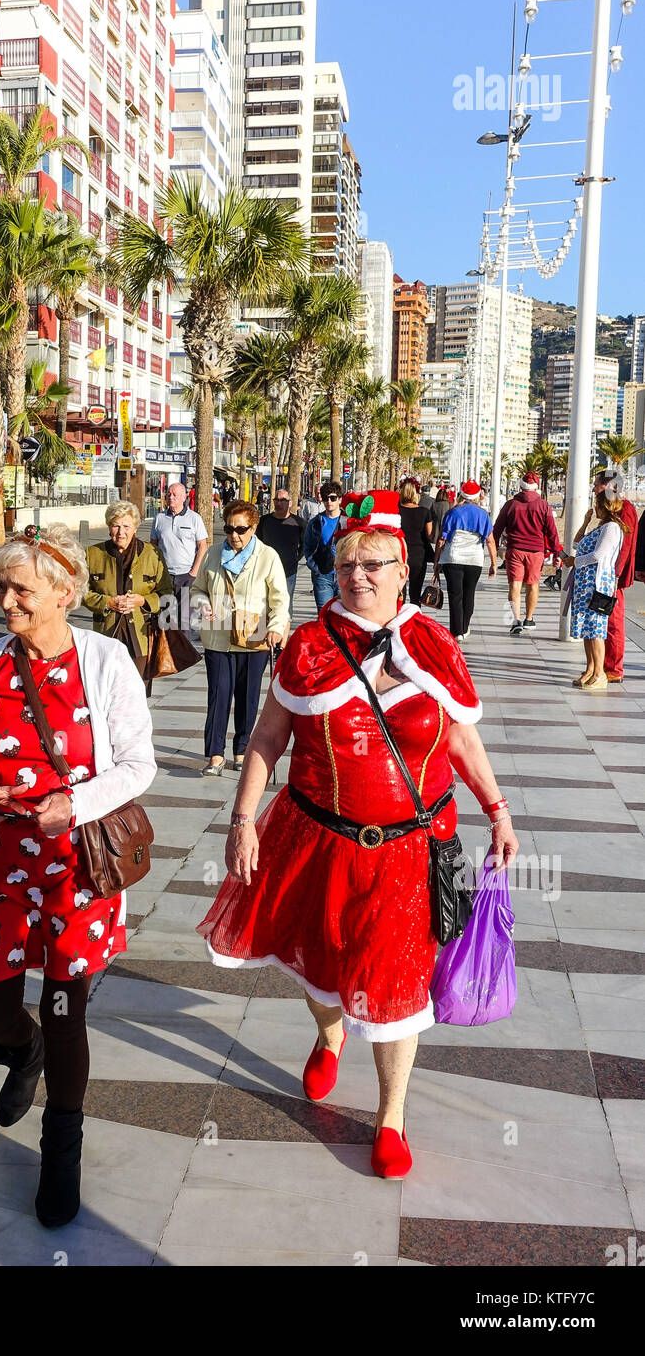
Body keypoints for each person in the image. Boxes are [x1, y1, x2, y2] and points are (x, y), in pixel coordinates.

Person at [196, 490, 518, 1179]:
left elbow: (460, 735)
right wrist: (243, 818)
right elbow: (268, 736)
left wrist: (497, 808)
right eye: (346, 565)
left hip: (411, 849)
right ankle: (329, 1033)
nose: (359, 576)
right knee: (319, 966)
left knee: (399, 987)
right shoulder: (310, 645)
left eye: (374, 563)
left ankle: (390, 1118)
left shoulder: (435, 643)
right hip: (319, 837)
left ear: (406, 569)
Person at [0, 523, 156, 1227]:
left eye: (21, 590)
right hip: (1, 865)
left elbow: (139, 764)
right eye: (1, 587)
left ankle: (60, 1149)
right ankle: (22, 1048)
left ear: (64, 595)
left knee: (67, 1009)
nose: (6, 600)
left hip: (76, 870)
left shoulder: (105, 662)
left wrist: (75, 804)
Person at [191, 499, 290, 775]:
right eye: (229, 529)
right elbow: (197, 589)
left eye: (241, 529)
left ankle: (242, 749)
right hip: (218, 637)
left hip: (254, 638)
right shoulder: (212, 554)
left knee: (248, 699)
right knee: (218, 696)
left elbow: (280, 599)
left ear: (254, 528)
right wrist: (203, 604)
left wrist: (276, 627)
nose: (234, 535)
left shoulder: (268, 556)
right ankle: (214, 754)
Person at [84, 501, 172, 696]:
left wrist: (143, 601)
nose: (120, 532)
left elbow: (167, 593)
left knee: (137, 695)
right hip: (105, 637)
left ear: (135, 528)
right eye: (116, 525)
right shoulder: (93, 554)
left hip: (139, 638)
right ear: (109, 527)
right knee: (106, 694)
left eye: (126, 526)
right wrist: (107, 602)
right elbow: (81, 593)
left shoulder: (151, 554)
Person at [562, 488, 630, 690]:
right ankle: (590, 669)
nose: (595, 508)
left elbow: (598, 556)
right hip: (585, 584)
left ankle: (600, 673)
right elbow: (577, 542)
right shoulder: (601, 527)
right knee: (586, 629)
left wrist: (575, 561)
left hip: (597, 585)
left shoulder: (612, 528)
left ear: (606, 506)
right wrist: (585, 521)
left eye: (597, 505)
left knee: (596, 629)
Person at [491, 471, 562, 636]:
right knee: (533, 584)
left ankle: (516, 620)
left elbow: (497, 528)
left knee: (515, 584)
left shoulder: (511, 505)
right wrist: (556, 553)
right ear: (536, 487)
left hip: (515, 549)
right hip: (536, 551)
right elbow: (552, 532)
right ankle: (529, 619)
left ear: (521, 486)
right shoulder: (543, 505)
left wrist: (493, 548)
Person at [433, 480, 497, 643]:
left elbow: (441, 539)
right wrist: (494, 564)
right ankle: (465, 627)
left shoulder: (452, 513)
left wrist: (436, 562)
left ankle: (456, 631)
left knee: (455, 595)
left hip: (453, 558)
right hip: (474, 559)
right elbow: (490, 540)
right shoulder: (482, 514)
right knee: (469, 594)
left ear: (461, 494)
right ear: (477, 496)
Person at [593, 469, 638, 682]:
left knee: (613, 623)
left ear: (611, 487)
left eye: (597, 485)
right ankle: (604, 665)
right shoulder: (614, 509)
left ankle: (614, 669)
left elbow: (625, 546)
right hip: (608, 576)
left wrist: (616, 575)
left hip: (613, 579)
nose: (594, 489)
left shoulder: (625, 509)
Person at [150, 481, 209, 633]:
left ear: (184, 497)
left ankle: (182, 655)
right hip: (165, 576)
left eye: (175, 494)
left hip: (186, 576)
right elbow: (153, 546)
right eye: (169, 494)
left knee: (184, 621)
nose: (171, 497)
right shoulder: (159, 518)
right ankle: (166, 654)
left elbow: (203, 546)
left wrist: (193, 573)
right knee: (166, 619)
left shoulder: (194, 518)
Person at [257, 487, 305, 614]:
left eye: (283, 500)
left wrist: (296, 558)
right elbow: (258, 542)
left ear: (289, 502)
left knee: (285, 603)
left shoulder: (298, 523)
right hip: (266, 570)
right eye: (276, 500)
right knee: (265, 603)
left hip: (288, 570)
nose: (279, 503)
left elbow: (304, 545)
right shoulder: (264, 521)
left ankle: (283, 631)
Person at [304, 480, 343, 611]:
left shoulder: (347, 521)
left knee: (344, 616)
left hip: (344, 575)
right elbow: (308, 548)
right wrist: (316, 569)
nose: (329, 501)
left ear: (340, 500)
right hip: (322, 576)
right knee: (324, 615)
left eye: (333, 498)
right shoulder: (315, 522)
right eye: (326, 498)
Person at [398, 479, 434, 604]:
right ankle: (414, 618)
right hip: (419, 554)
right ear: (416, 493)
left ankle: (399, 618)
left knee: (399, 591)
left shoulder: (396, 511)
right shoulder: (424, 512)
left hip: (399, 553)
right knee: (415, 592)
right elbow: (430, 535)